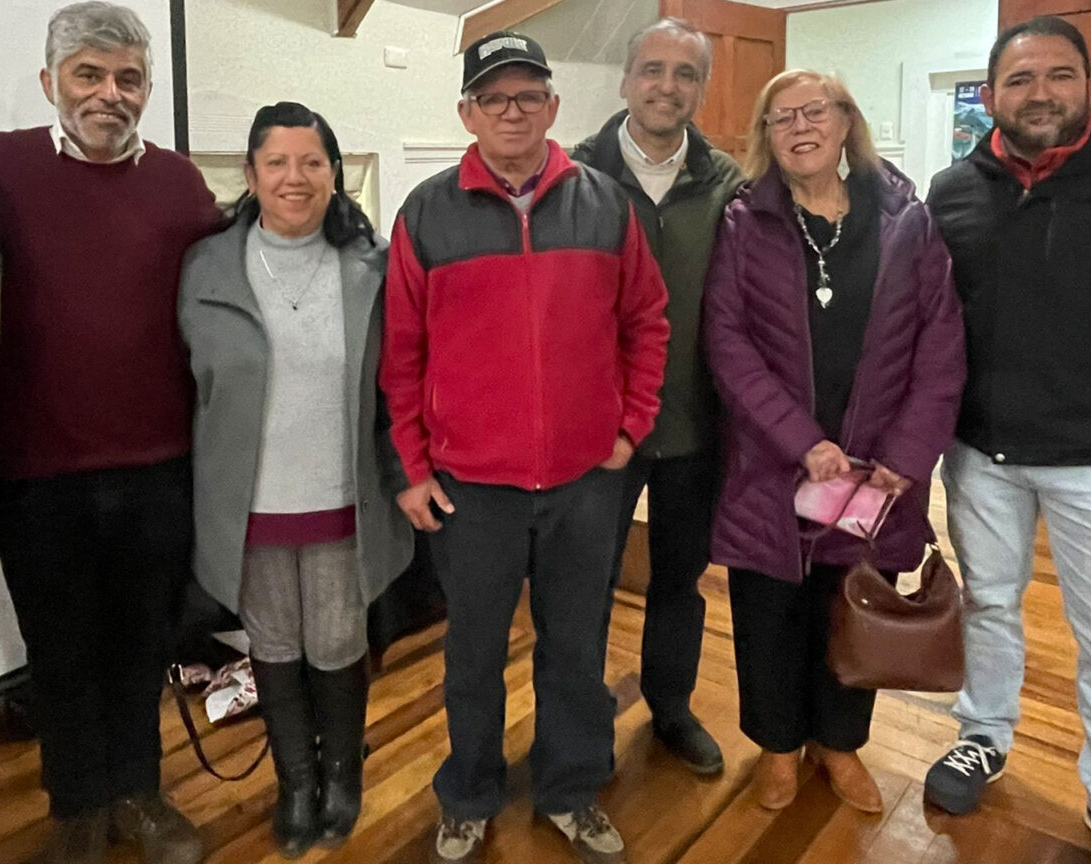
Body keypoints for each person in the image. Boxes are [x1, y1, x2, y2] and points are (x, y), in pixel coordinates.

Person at [0, 3, 223, 862]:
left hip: (161, 466)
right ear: (49, 82)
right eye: (89, 75)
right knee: (58, 650)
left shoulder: (180, 183)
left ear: (147, 87)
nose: (109, 94)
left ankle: (138, 793)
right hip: (36, 471)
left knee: (144, 645)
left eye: (128, 78)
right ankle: (76, 806)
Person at [381, 31, 670, 864]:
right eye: (493, 97)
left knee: (576, 652)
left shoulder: (604, 205)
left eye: (528, 95)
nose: (512, 111)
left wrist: (630, 427)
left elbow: (646, 322)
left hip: (586, 481)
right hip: (472, 489)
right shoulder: (426, 214)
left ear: (553, 105)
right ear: (467, 112)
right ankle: (468, 794)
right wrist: (411, 466)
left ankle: (570, 788)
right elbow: (401, 357)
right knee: (471, 657)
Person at [921, 16, 1091, 863]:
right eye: (1022, 80)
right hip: (981, 453)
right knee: (989, 605)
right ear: (992, 94)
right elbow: (927, 327)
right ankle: (983, 735)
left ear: (1086, 84)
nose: (1042, 95)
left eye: (1059, 76)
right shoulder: (952, 189)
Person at [701, 69, 965, 816]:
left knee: (853, 605)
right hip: (774, 467)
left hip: (877, 473)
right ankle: (780, 750)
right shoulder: (743, 221)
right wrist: (800, 440)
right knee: (769, 612)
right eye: (780, 118)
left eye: (814, 111)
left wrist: (907, 459)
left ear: (847, 121)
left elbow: (940, 347)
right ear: (765, 137)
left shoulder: (907, 220)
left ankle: (840, 745)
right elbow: (727, 343)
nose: (799, 127)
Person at [178, 102, 414, 859]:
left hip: (347, 497)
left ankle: (343, 773)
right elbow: (186, 386)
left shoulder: (371, 266)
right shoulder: (205, 266)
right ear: (249, 175)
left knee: (340, 640)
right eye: (276, 162)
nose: (294, 177)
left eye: (312, 162)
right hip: (248, 504)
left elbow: (396, 388)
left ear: (335, 174)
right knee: (273, 645)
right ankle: (296, 782)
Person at [570, 16, 743, 775]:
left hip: (697, 421)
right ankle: (577, 724)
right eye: (653, 69)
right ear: (626, 81)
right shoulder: (572, 176)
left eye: (684, 73)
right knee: (587, 582)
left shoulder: (731, 185)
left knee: (680, 578)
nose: (667, 86)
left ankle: (670, 707)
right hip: (598, 428)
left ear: (701, 89)